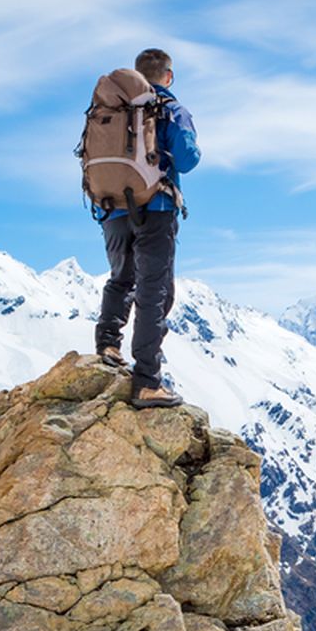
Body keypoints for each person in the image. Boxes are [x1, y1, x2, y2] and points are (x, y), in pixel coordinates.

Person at [93, 48, 199, 409]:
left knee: (121, 276)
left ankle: (107, 344)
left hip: (111, 207)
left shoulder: (113, 108)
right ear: (168, 76)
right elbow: (187, 157)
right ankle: (147, 381)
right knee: (155, 291)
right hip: (155, 206)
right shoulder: (170, 109)